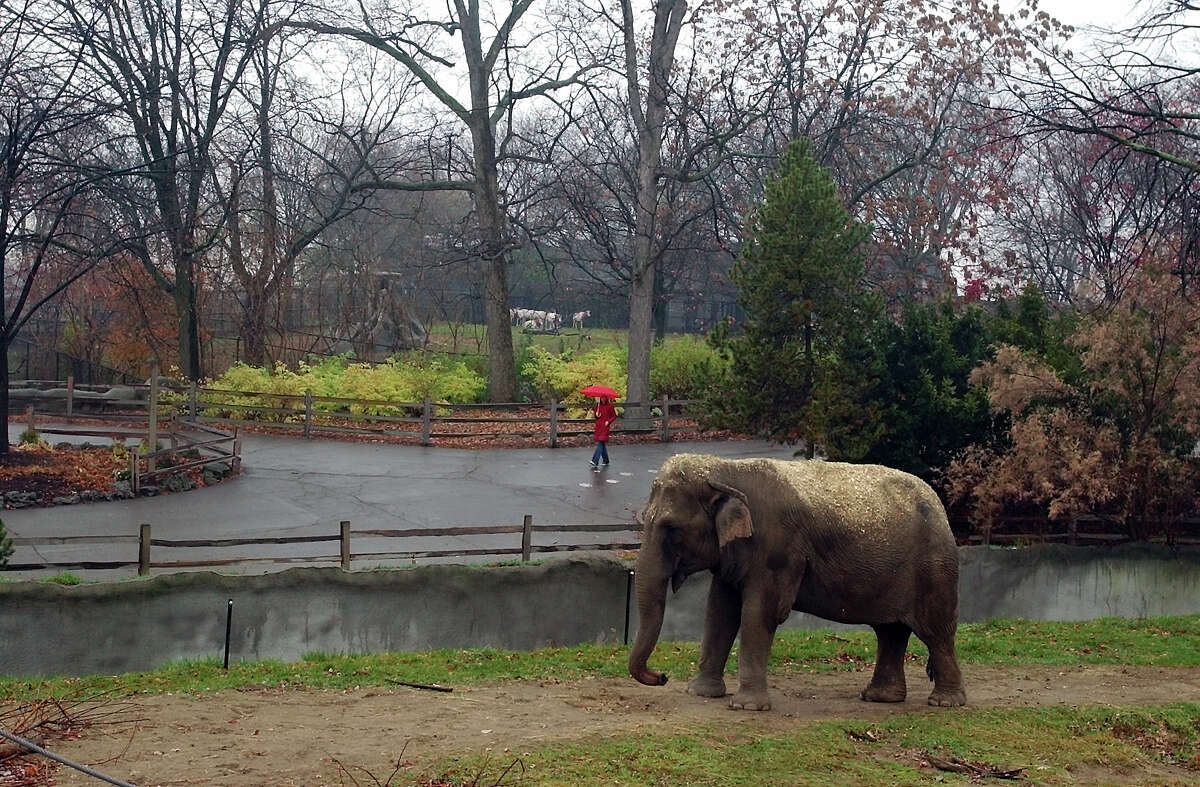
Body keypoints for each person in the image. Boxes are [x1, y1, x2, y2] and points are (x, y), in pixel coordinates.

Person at [590, 396, 618, 469]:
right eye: (602, 398)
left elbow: (614, 416)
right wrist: (596, 414)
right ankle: (606, 460)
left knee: (601, 442)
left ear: (607, 398)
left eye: (604, 397)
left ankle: (595, 460)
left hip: (605, 426)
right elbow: (596, 416)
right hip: (599, 426)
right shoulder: (598, 405)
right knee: (602, 443)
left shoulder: (610, 406)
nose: (603, 399)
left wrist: (609, 421)